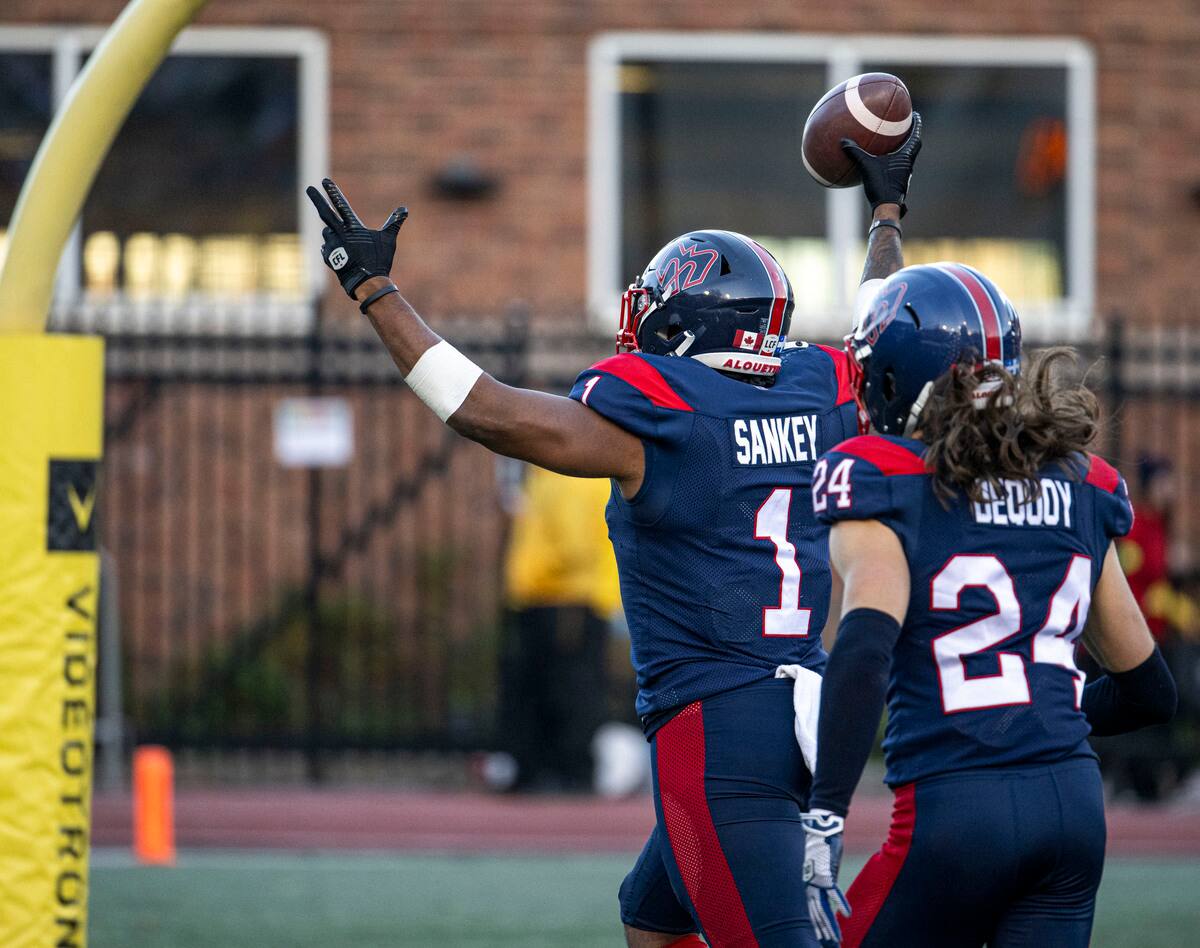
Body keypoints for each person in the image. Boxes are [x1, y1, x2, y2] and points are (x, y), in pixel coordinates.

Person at [305, 114, 921, 947]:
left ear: (683, 323)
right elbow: (884, 317)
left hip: (714, 727)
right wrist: (887, 212)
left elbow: (486, 412)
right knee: (651, 921)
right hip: (797, 712)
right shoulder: (821, 387)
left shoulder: (659, 412)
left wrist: (377, 294)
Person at [799, 265, 1179, 948]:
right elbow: (1151, 690)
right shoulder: (1083, 485)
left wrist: (824, 814)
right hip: (1070, 808)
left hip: (953, 812)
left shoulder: (883, 481)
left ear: (894, 377)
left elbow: (863, 648)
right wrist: (1039, 714)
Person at [498, 465, 621, 792]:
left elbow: (575, 547)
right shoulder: (553, 476)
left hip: (563, 598)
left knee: (568, 688)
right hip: (561, 598)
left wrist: (537, 575)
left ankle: (570, 772)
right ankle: (558, 770)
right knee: (559, 685)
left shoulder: (564, 477)